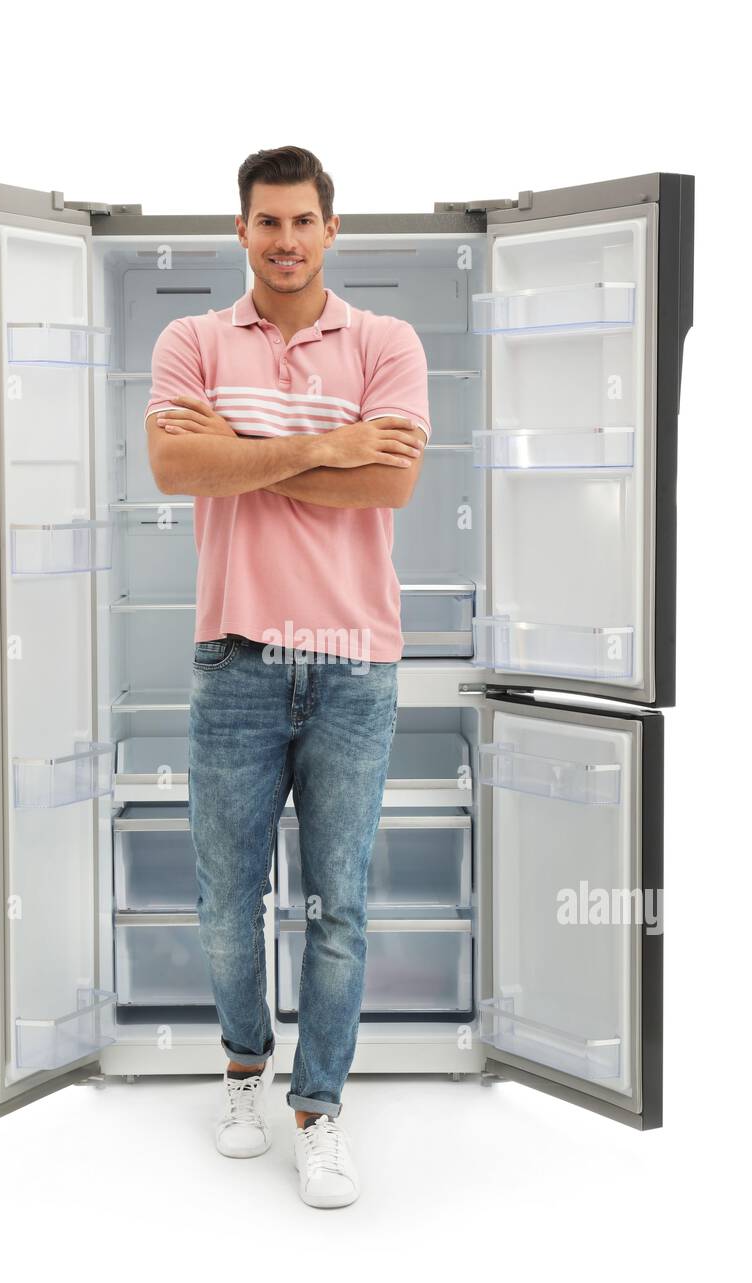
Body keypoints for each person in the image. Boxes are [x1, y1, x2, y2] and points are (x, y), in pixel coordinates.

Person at [145, 145, 430, 1208]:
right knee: (228, 902)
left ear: (329, 229)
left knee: (337, 906)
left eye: (302, 220)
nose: (285, 239)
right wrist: (331, 443)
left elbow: (391, 478)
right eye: (265, 222)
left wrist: (249, 441)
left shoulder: (386, 341)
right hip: (235, 661)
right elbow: (178, 467)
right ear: (240, 231)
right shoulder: (192, 339)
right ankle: (239, 1067)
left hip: (354, 663)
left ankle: (318, 1110)